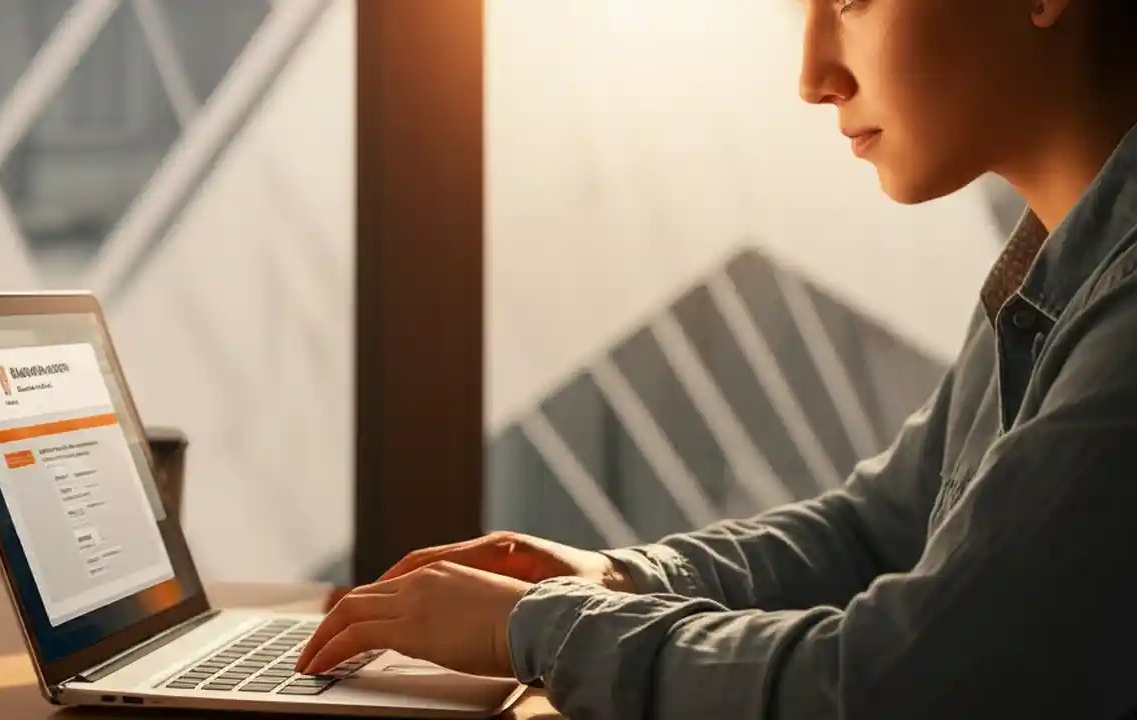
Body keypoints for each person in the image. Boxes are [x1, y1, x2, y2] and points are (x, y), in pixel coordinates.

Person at [298, 0, 1137, 716]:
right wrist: (619, 576)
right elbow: (877, 532)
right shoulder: (1055, 272)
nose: (813, 77)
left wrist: (535, 628)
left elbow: (893, 680)